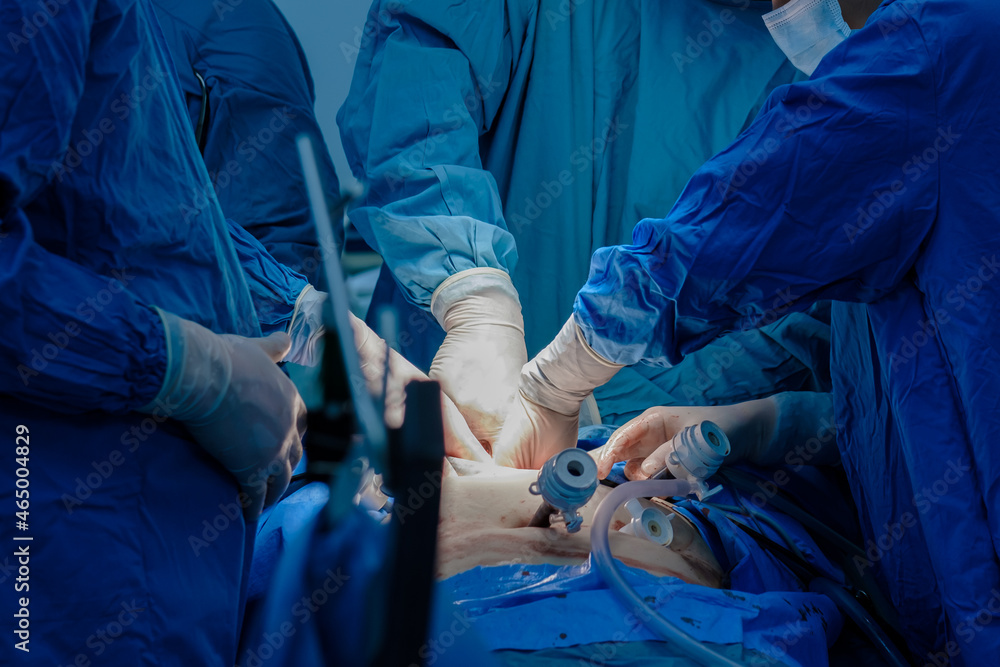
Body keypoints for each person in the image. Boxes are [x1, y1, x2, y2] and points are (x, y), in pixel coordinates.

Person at [493, 0, 1000, 661]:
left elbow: (711, 244)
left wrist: (551, 385)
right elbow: (937, 393)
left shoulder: (940, 55)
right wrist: (770, 423)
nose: (777, 9)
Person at [338, 0, 836, 450]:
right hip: (429, 396)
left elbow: (808, 311)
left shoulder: (823, 52)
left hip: (654, 475)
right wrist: (471, 294)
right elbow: (415, 104)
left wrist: (601, 405)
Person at [0, 0, 308, 662]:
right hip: (69, 547)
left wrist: (305, 311)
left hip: (142, 552)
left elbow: (130, 207)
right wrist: (189, 371)